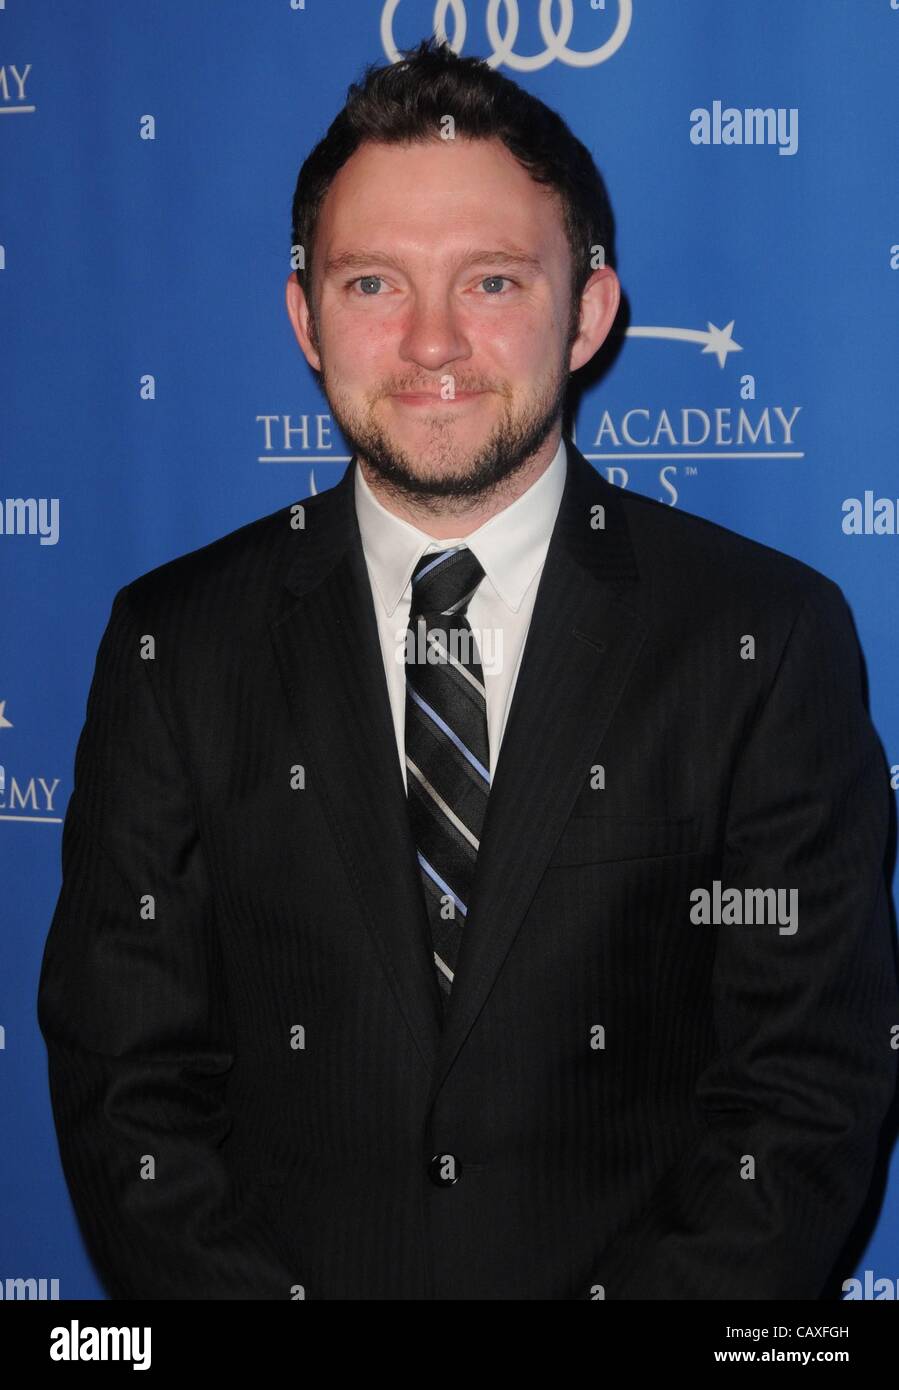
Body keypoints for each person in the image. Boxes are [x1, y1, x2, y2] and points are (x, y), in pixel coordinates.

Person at [38, 37, 898, 1300]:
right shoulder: (175, 645)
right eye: (373, 283)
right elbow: (128, 1085)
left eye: (491, 282)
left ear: (590, 310)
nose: (430, 341)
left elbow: (803, 1091)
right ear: (304, 319)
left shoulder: (760, 638)